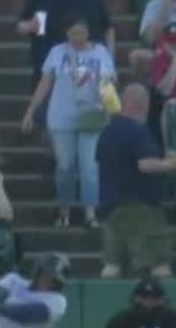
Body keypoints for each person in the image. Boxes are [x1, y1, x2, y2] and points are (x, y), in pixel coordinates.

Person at [22, 15, 117, 229]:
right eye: (74, 34)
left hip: (90, 114)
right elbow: (45, 83)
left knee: (88, 165)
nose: (78, 38)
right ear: (67, 34)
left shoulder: (100, 53)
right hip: (61, 116)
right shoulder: (57, 53)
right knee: (65, 165)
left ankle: (90, 212)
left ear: (88, 33)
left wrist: (109, 107)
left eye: (82, 33)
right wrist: (31, 110)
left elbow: (108, 82)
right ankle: (64, 209)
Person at [95, 84, 176, 278]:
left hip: (110, 208)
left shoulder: (107, 131)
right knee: (159, 266)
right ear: (143, 105)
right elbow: (146, 165)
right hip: (141, 209)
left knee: (112, 266)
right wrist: (173, 163)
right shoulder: (138, 131)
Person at [17, 0, 115, 83]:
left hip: (88, 62)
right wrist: (30, 26)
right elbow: (20, 25)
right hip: (51, 62)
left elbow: (107, 26)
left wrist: (109, 58)